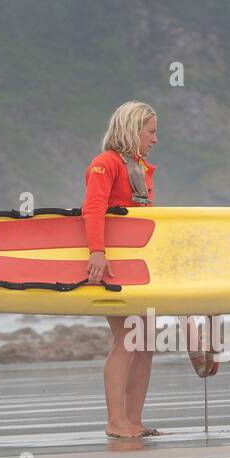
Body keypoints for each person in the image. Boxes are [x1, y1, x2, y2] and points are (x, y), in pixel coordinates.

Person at [82, 101, 163, 438]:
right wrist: (97, 253)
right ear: (133, 130)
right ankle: (115, 421)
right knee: (127, 338)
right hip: (113, 266)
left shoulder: (140, 169)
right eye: (151, 132)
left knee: (145, 341)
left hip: (137, 268)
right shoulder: (105, 164)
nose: (155, 139)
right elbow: (94, 208)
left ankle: (133, 420)